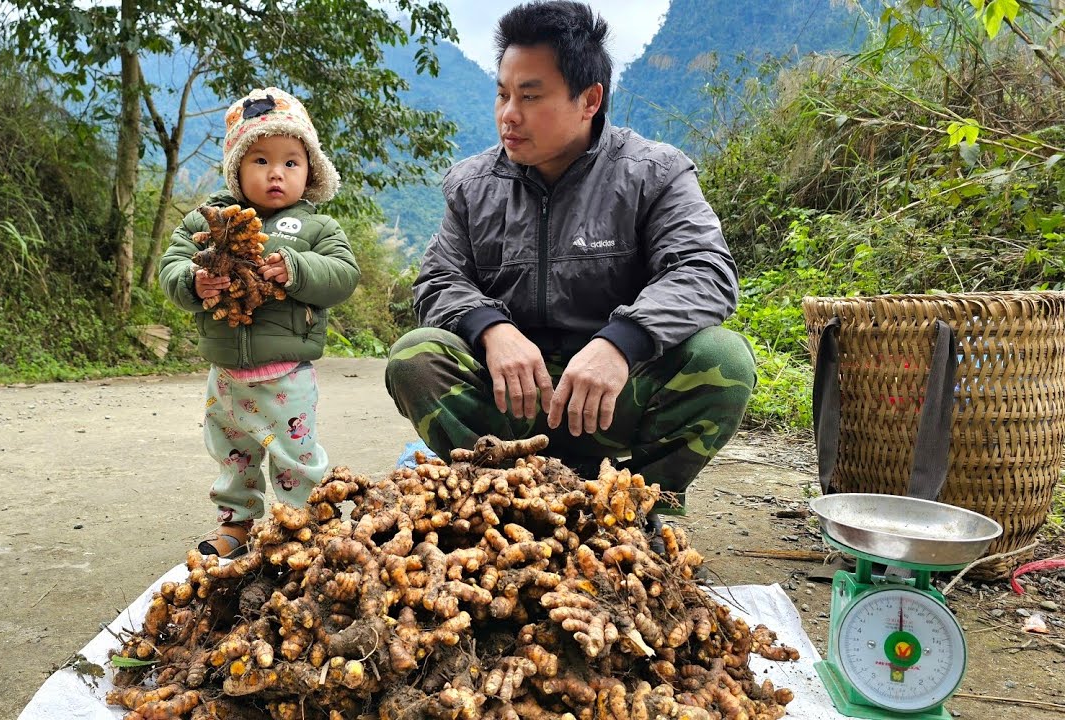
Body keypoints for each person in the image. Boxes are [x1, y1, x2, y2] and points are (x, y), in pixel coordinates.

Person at [384, 1, 756, 517]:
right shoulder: (472, 186)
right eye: (502, 93)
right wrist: (492, 329)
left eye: (530, 96)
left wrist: (621, 343)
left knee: (724, 359)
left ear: (589, 100)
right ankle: (498, 501)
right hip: (511, 396)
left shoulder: (654, 173)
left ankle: (639, 511)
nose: (508, 114)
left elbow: (705, 272)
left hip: (612, 395)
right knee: (416, 355)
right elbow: (438, 279)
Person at [160, 87, 359, 557]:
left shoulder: (317, 229)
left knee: (296, 459)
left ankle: (303, 524)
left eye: (291, 162)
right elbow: (172, 266)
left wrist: (297, 268)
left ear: (310, 171)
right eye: (261, 160)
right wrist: (193, 281)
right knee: (232, 456)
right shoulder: (205, 223)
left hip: (287, 376)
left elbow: (344, 276)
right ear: (236, 170)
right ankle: (235, 526)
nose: (276, 172)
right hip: (225, 377)